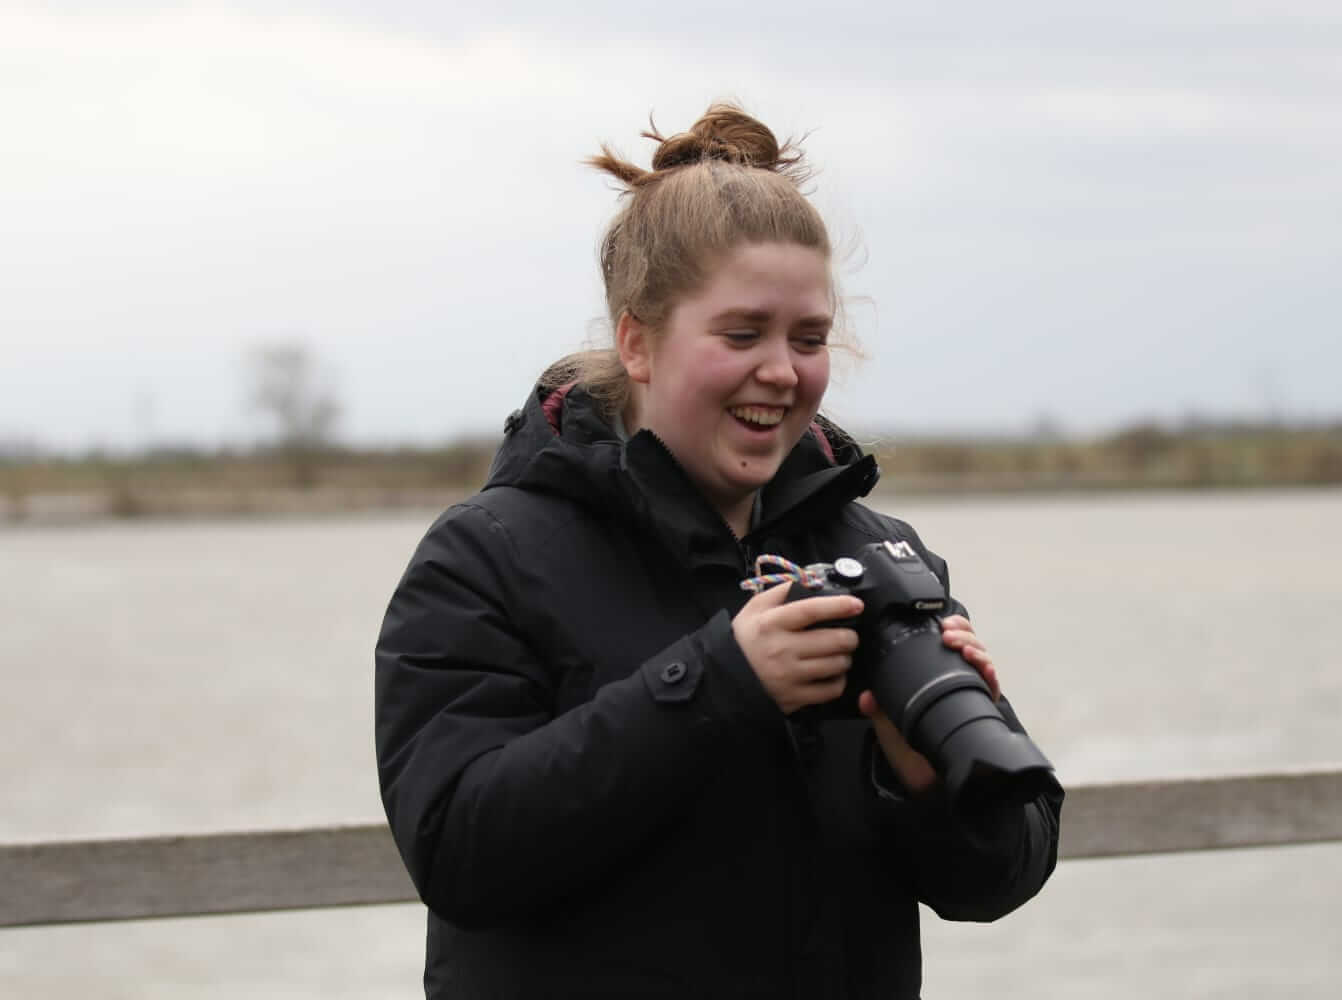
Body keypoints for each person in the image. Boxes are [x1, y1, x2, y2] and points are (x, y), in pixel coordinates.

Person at [374, 103, 1062, 999]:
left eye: (808, 339)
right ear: (637, 341)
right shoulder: (487, 557)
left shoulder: (877, 555)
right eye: (742, 335)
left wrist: (926, 780)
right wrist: (720, 682)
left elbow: (1000, 879)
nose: (781, 370)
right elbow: (458, 851)